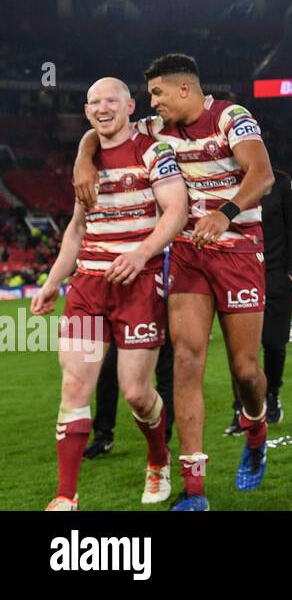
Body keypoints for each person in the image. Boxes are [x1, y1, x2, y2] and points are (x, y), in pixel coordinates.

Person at [72, 54, 276, 510]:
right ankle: (194, 489)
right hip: (187, 255)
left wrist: (226, 214)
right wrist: (83, 158)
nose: (153, 102)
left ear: (185, 89)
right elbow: (102, 128)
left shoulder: (231, 117)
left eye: (158, 93)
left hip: (240, 251)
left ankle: (256, 425)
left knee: (246, 370)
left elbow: (263, 175)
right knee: (186, 361)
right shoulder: (153, 129)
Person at [33, 77, 189, 510]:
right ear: (87, 112)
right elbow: (77, 231)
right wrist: (51, 282)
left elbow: (177, 210)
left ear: (129, 106)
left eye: (111, 101)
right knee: (74, 388)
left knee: (137, 393)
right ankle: (66, 495)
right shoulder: (87, 161)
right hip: (87, 287)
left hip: (139, 284)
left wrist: (141, 254)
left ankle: (158, 458)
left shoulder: (154, 150)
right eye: (94, 103)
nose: (103, 109)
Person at [224, 169, 292, 434]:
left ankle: (272, 398)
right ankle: (241, 408)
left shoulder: (282, 183)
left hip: (276, 274)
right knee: (240, 350)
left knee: (273, 343)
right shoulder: (230, 180)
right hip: (240, 273)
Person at [82, 337, 175, 458]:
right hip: (128, 320)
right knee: (107, 369)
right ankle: (103, 436)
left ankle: (162, 440)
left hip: (162, 321)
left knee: (165, 373)